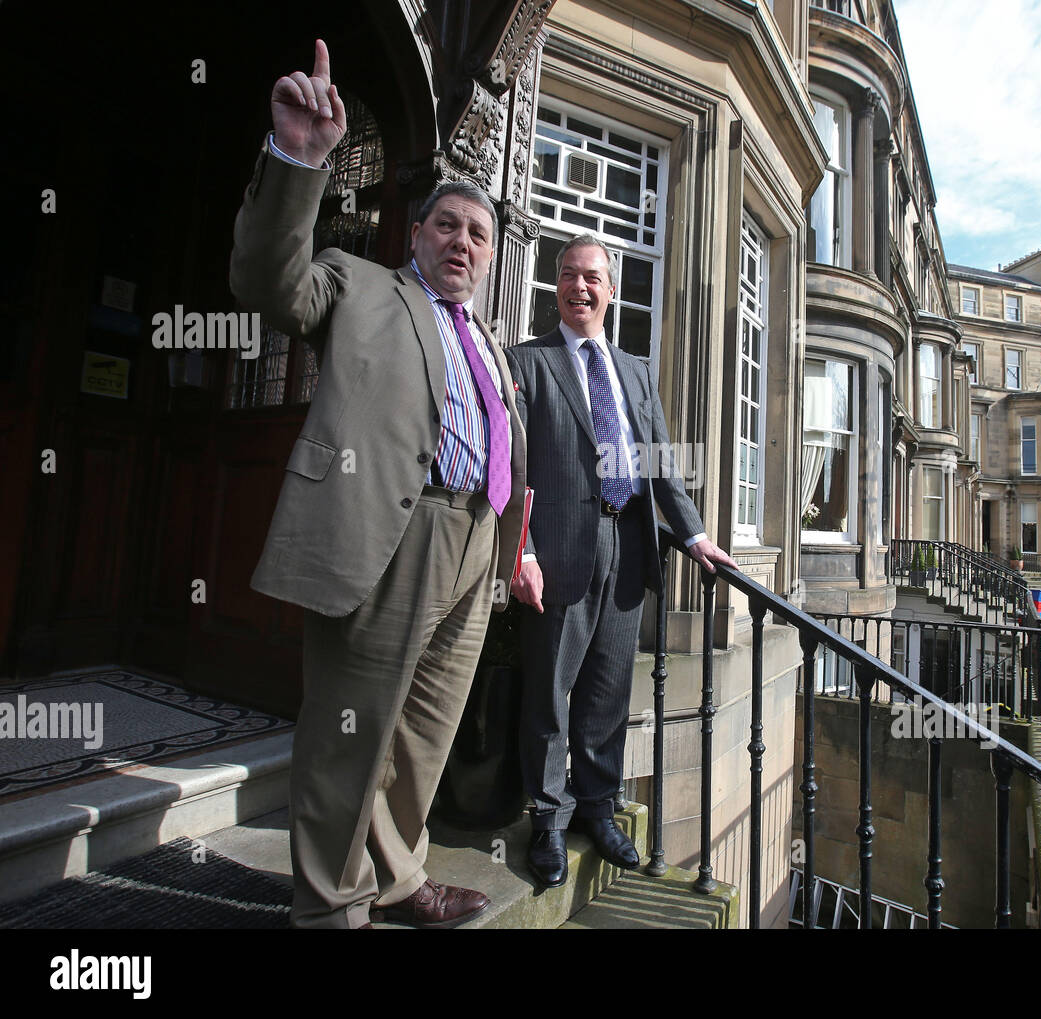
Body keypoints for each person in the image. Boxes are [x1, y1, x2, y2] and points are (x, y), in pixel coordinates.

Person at [230, 41, 526, 929]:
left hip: (477, 543)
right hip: (390, 529)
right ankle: (327, 906)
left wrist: (512, 548)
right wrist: (299, 160)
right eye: (447, 226)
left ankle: (396, 878)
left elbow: (510, 448)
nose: (462, 242)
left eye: (478, 233)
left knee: (423, 733)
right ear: (416, 234)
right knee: (349, 732)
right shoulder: (360, 286)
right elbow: (268, 283)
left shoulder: (492, 343)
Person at [506, 235, 736, 888]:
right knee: (549, 693)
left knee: (608, 691)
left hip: (628, 549)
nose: (582, 287)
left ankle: (599, 808)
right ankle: (548, 820)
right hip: (556, 553)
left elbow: (662, 463)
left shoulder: (635, 370)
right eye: (571, 276)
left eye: (594, 277)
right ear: (557, 287)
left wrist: (691, 535)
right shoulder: (527, 361)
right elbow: (513, 466)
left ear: (612, 290)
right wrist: (518, 550)